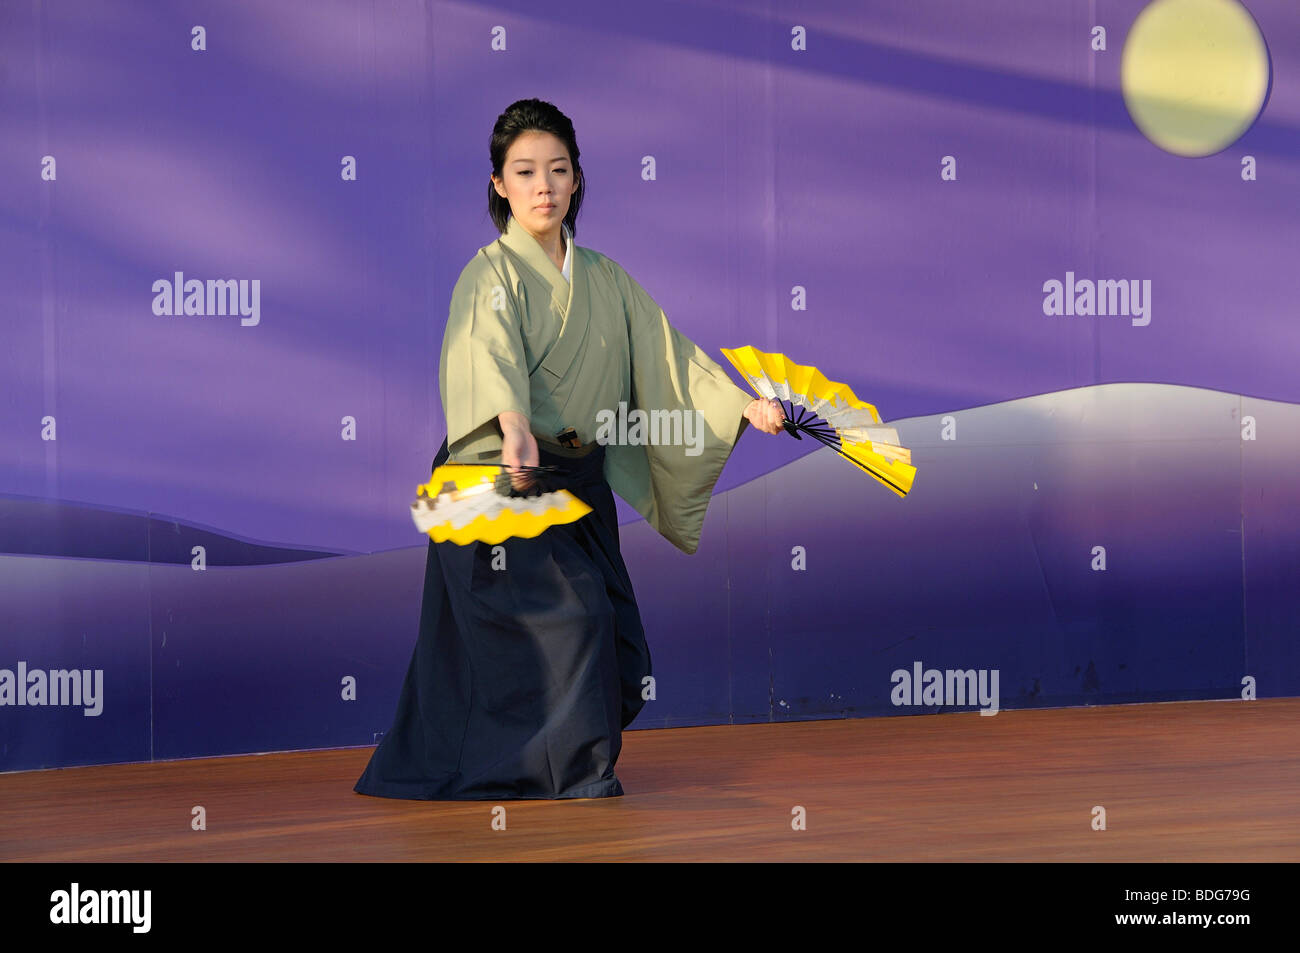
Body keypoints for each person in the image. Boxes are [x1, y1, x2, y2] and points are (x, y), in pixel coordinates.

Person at [354, 98, 785, 801]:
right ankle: (571, 774)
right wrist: (514, 425)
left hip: (574, 478)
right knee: (570, 616)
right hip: (494, 475)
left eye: (557, 169)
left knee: (608, 624)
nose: (543, 185)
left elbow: (669, 358)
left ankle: (546, 764)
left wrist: (744, 403)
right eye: (524, 171)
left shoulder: (607, 280)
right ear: (499, 184)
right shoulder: (489, 275)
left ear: (577, 180)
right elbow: (485, 356)